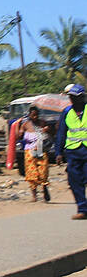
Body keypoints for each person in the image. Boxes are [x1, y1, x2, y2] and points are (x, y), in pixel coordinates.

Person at [57, 85, 87, 219]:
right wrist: (58, 152)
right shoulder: (66, 112)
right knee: (74, 181)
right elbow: (61, 133)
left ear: (82, 97)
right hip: (73, 151)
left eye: (75, 97)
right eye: (71, 97)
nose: (73, 100)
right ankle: (82, 208)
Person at [21, 106, 53, 202]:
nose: (35, 117)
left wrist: (47, 129)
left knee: (43, 171)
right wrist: (17, 126)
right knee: (31, 173)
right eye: (33, 115)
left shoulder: (42, 123)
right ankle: (34, 196)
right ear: (29, 115)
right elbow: (18, 136)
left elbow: (51, 133)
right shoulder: (26, 124)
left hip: (40, 149)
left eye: (36, 115)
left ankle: (44, 189)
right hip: (29, 151)